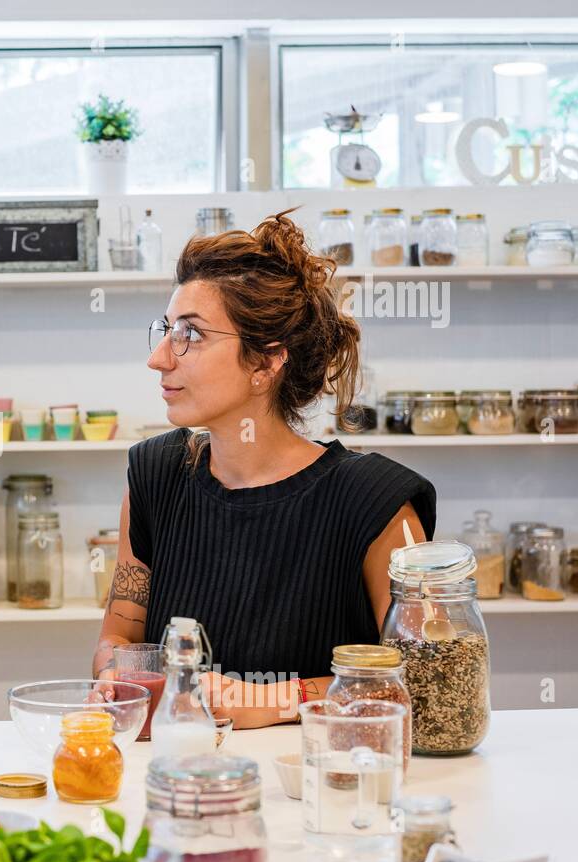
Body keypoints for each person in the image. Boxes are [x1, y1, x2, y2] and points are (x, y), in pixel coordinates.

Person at [91, 210, 435, 728]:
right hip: (180, 777)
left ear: (265, 362)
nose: (160, 358)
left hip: (323, 785)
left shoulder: (375, 502)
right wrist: (118, 677)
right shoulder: (154, 476)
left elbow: (418, 682)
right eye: (165, 331)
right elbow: (120, 638)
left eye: (191, 335)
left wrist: (266, 701)